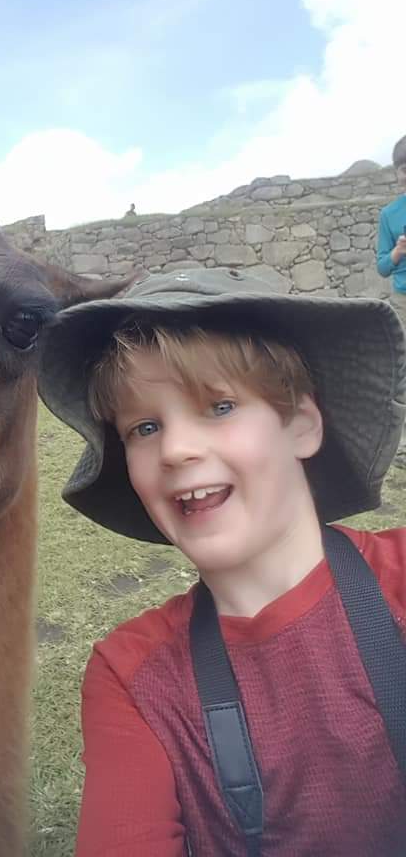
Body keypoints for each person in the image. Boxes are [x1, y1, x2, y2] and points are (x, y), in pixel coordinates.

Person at [38, 267, 406, 856]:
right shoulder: (132, 676)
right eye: (145, 427)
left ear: (302, 426)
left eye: (221, 406)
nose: (177, 449)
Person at [376, 133, 406, 324]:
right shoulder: (388, 214)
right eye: (404, 169)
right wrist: (398, 251)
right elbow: (382, 267)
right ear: (397, 173)